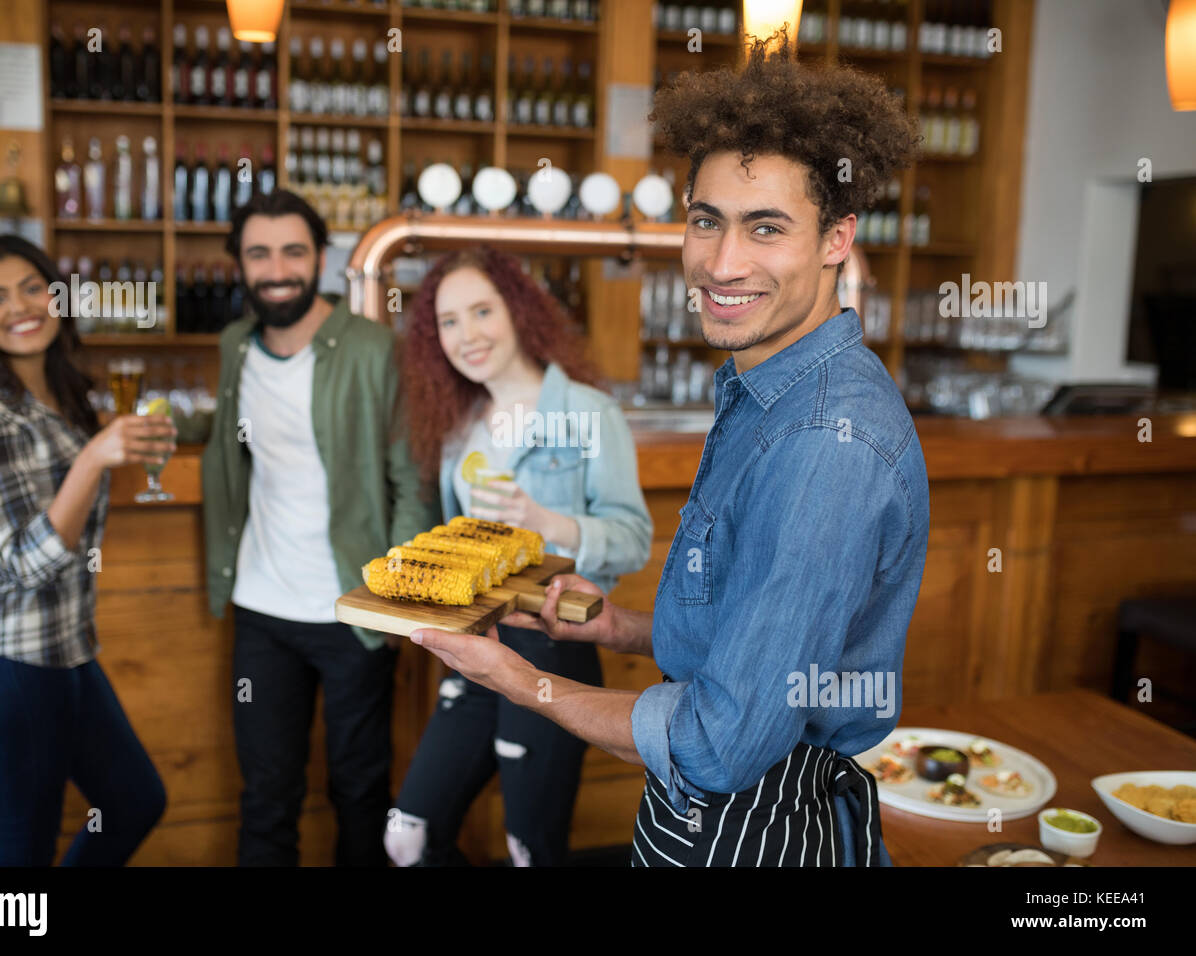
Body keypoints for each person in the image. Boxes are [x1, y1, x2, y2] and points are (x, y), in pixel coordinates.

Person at [407, 31, 929, 867]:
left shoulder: (825, 444)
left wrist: (522, 683)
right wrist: (620, 629)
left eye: (767, 228)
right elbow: (758, 636)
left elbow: (720, 744)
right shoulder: (767, 390)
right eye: (705, 222)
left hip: (758, 829)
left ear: (837, 239)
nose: (723, 263)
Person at [383, 246, 653, 867]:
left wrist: (542, 521)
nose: (467, 334)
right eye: (448, 321)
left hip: (555, 647)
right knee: (407, 837)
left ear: (518, 310)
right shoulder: (459, 424)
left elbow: (632, 537)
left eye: (482, 311)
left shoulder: (590, 412)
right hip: (477, 646)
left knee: (528, 848)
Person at [202, 189, 440, 866]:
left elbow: (411, 481)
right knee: (267, 794)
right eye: (259, 253)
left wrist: (393, 598)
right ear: (239, 265)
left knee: (360, 788)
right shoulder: (234, 348)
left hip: (352, 611)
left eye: (293, 251)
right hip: (260, 609)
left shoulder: (372, 349)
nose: (276, 268)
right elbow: (233, 435)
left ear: (322, 260)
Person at [0, 235, 173, 866]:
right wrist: (95, 458)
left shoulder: (60, 397)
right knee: (22, 853)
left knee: (133, 800)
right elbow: (28, 560)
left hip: (60, 644)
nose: (20, 307)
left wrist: (125, 451)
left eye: (33, 288)